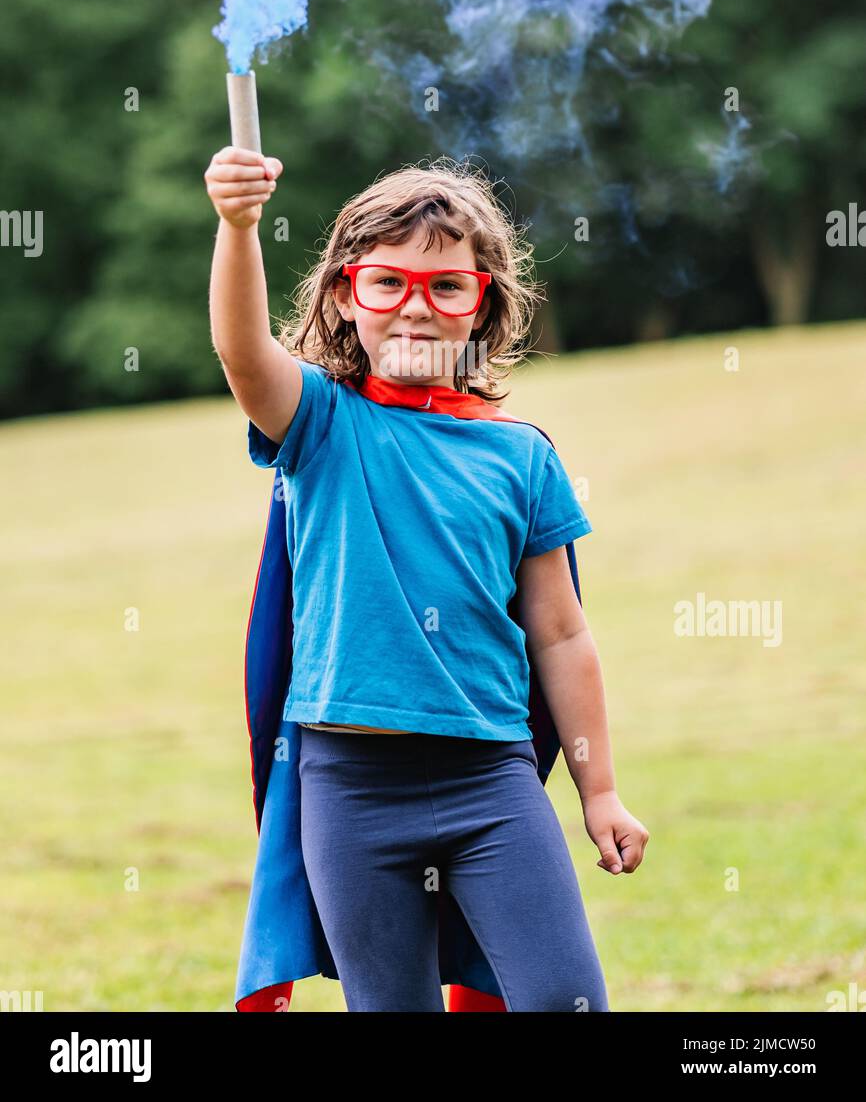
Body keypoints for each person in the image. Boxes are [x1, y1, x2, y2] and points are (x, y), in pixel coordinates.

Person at [204, 146, 649, 1012]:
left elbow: (561, 633)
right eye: (388, 283)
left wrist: (600, 792)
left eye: (447, 287)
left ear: (483, 305)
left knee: (566, 999)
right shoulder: (319, 424)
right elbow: (240, 349)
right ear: (344, 293)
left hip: (492, 781)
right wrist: (238, 227)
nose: (416, 307)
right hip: (350, 787)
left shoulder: (521, 455)